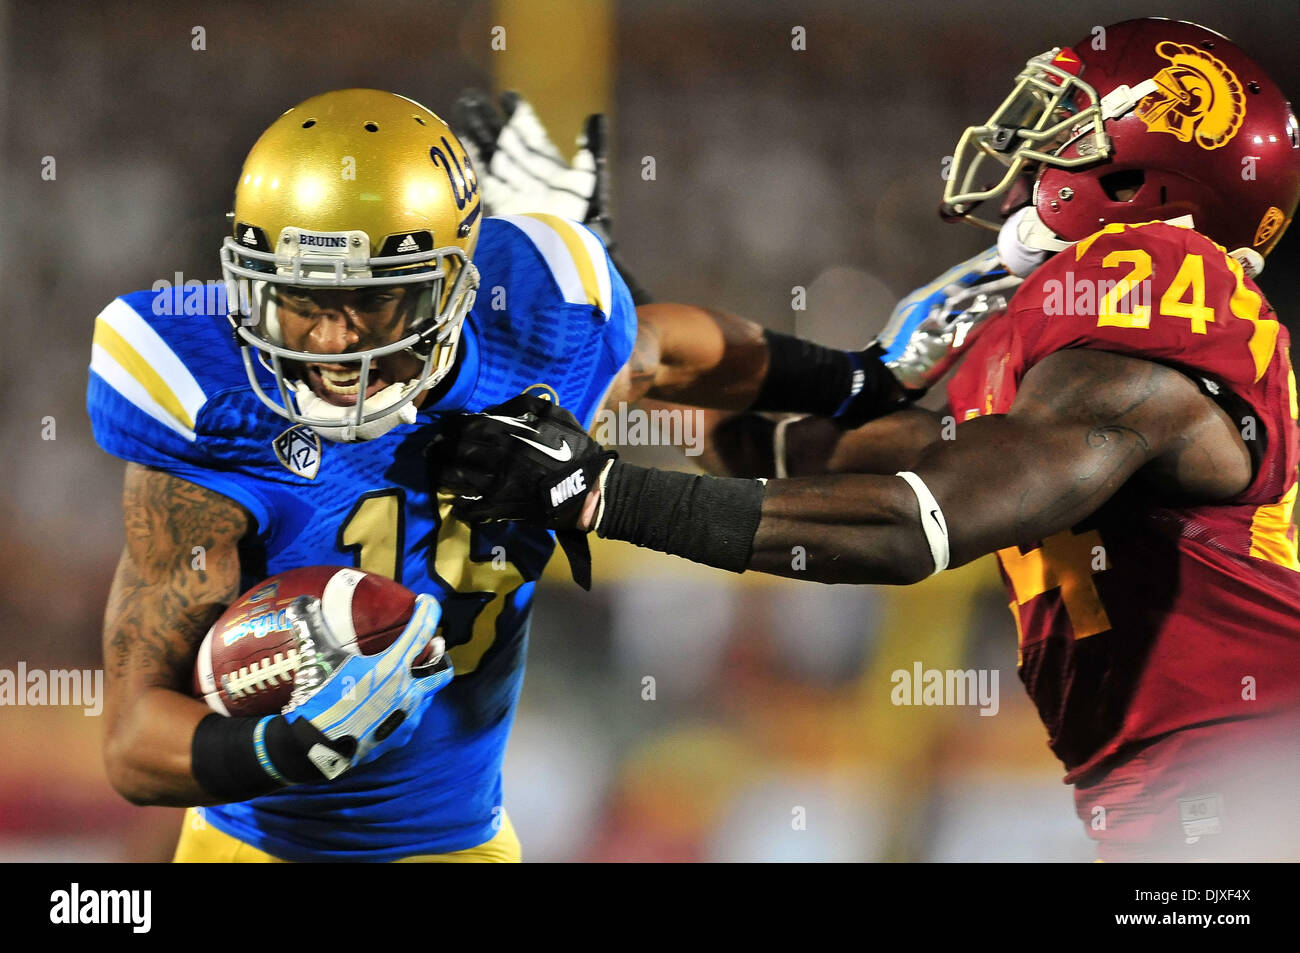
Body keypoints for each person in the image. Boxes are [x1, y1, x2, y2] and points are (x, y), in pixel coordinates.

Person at [433, 19, 1300, 861]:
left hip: (1250, 778)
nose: (1028, 146)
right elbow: (798, 456)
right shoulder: (1064, 353)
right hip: (1185, 794)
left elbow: (914, 523)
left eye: (1066, 122)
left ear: (1141, 174)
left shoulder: (1156, 293)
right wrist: (595, 288)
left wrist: (600, 492)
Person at [90, 86, 981, 862]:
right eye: (303, 297)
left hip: (453, 844)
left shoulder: (544, 323)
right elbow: (134, 741)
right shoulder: (205, 401)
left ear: (454, 281)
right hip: (251, 846)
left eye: (371, 300)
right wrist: (286, 746)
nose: (331, 340)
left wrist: (857, 376)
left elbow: (665, 347)